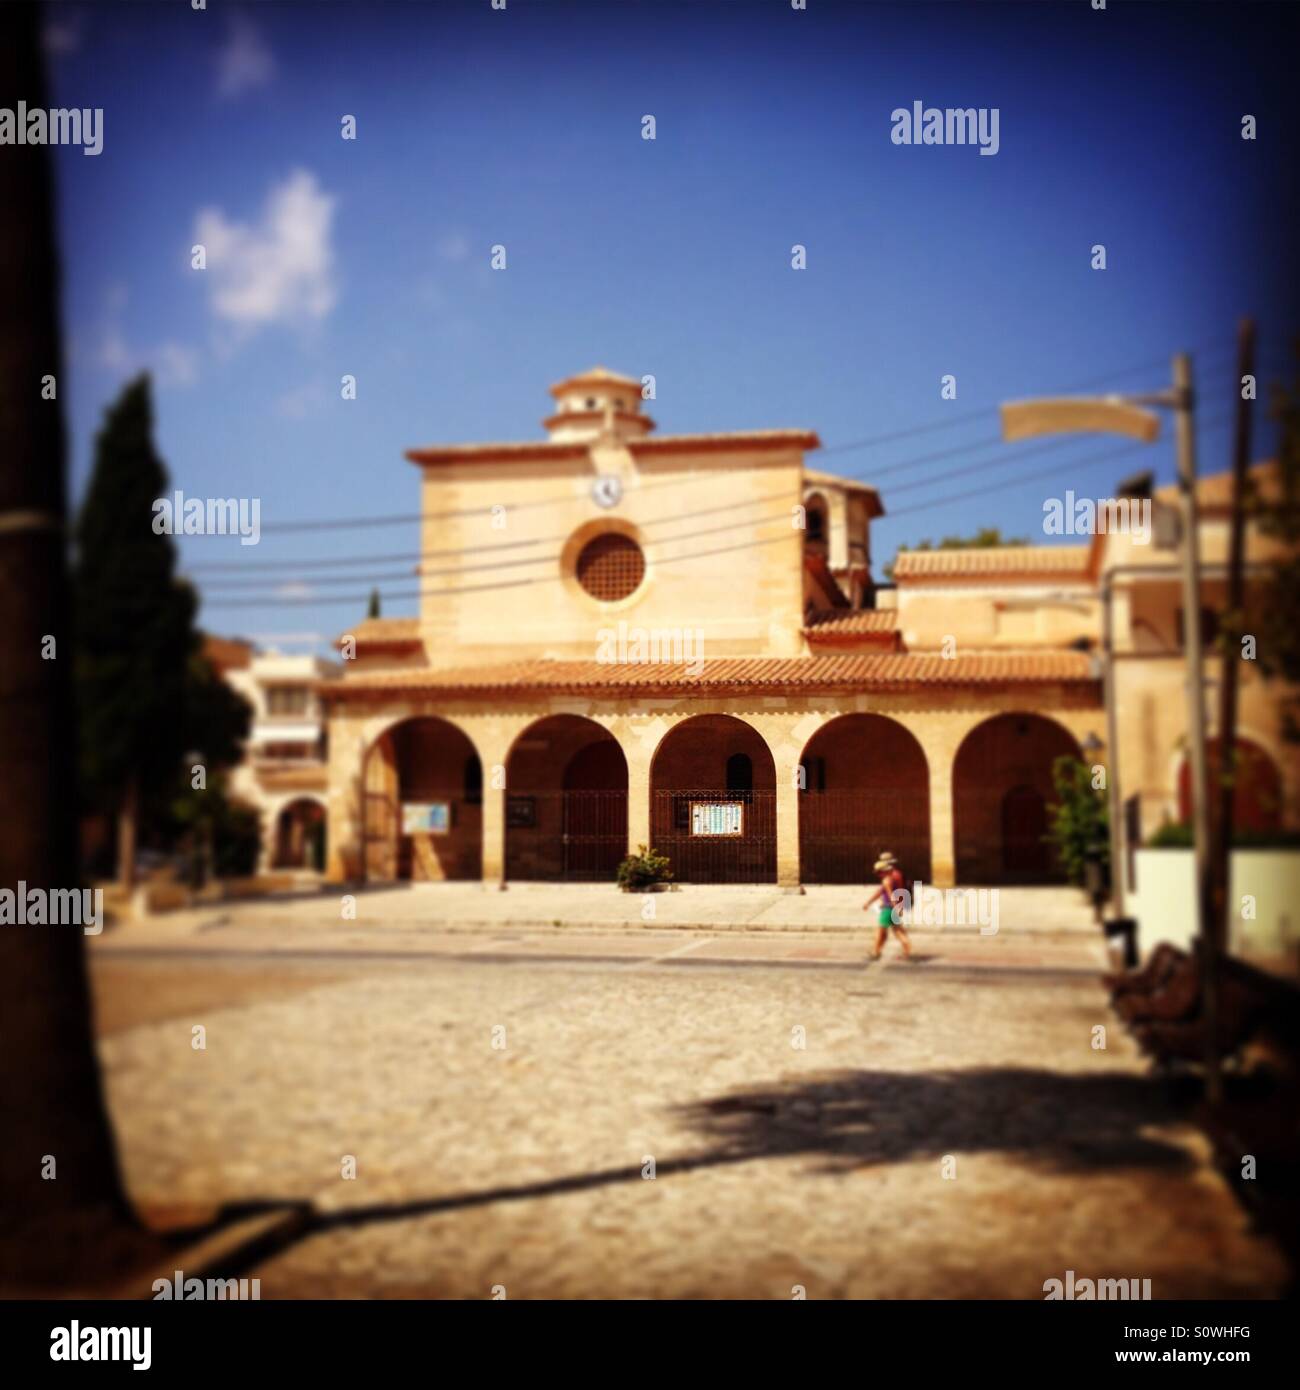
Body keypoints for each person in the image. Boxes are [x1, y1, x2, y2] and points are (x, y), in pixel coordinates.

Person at [864, 851, 912, 961]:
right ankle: (906, 951)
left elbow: (890, 894)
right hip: (892, 906)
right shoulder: (896, 874)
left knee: (882, 931)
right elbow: (884, 891)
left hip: (889, 908)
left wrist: (896, 907)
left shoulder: (889, 878)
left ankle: (876, 952)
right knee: (897, 931)